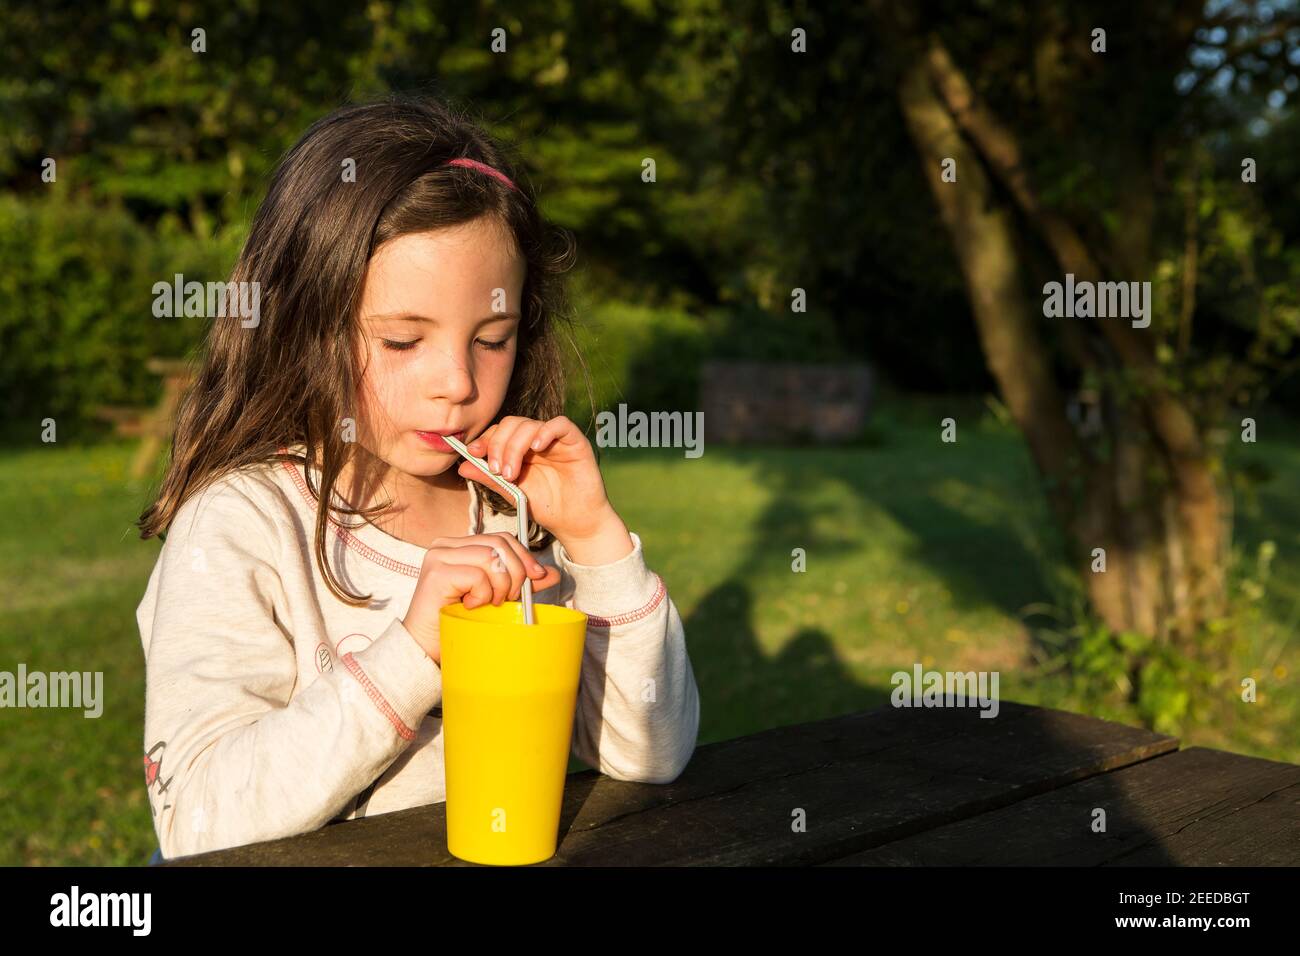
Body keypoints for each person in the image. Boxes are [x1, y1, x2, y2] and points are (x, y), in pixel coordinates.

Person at [135, 93, 700, 861]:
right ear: (303, 327)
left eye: (492, 339)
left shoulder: (508, 510)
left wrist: (595, 542)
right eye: (403, 341)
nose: (457, 383)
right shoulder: (243, 527)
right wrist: (411, 652)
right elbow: (197, 818)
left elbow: (647, 754)